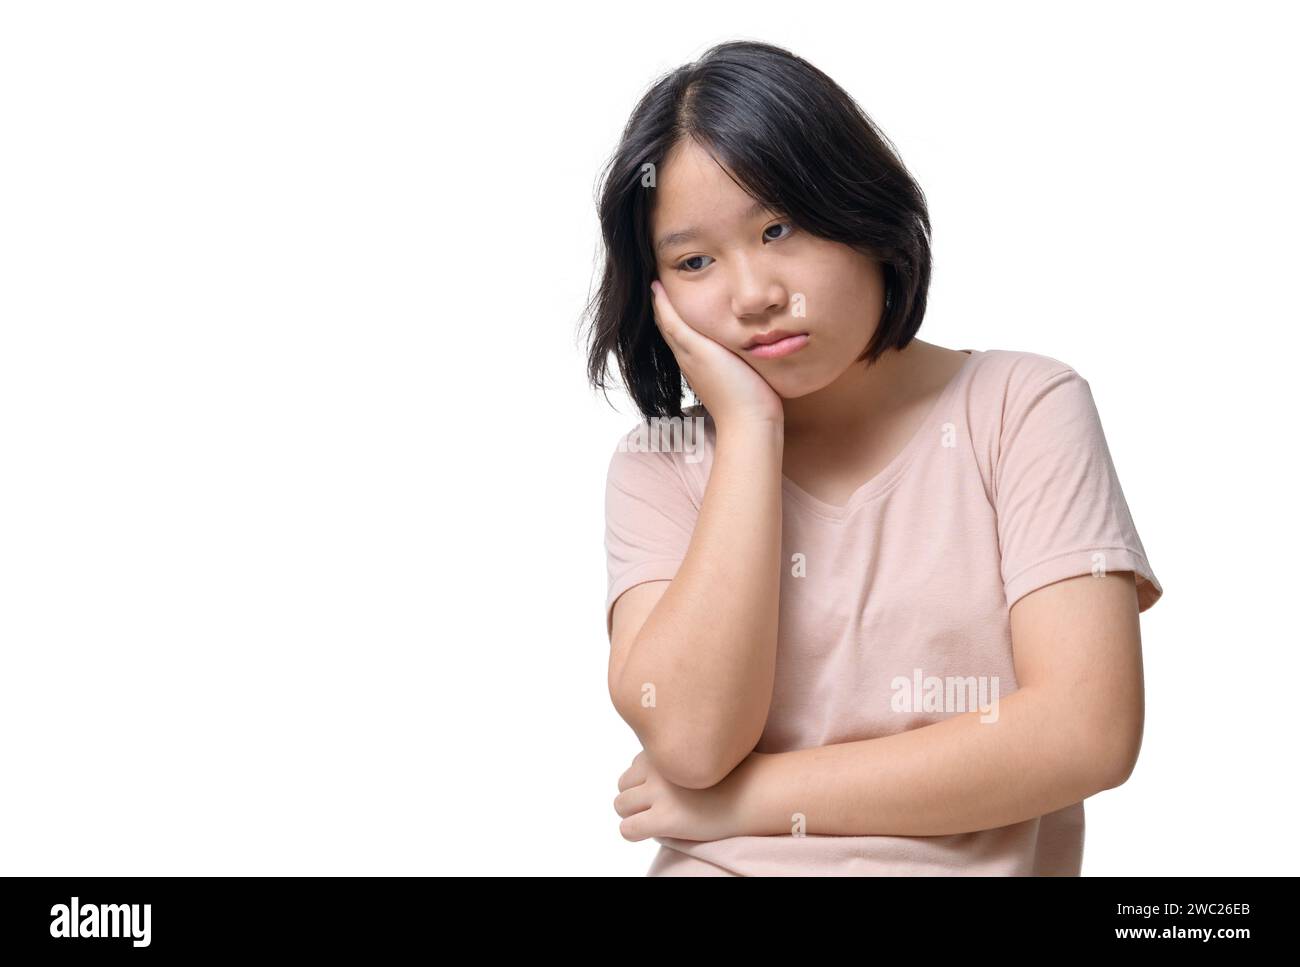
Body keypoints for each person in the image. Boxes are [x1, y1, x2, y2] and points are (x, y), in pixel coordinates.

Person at [582, 39, 1163, 876]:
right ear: (658, 292)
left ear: (859, 208)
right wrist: (749, 432)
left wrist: (746, 801)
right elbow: (691, 741)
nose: (753, 294)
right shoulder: (660, 465)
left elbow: (1086, 732)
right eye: (695, 260)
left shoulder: (1021, 407)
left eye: (778, 226)